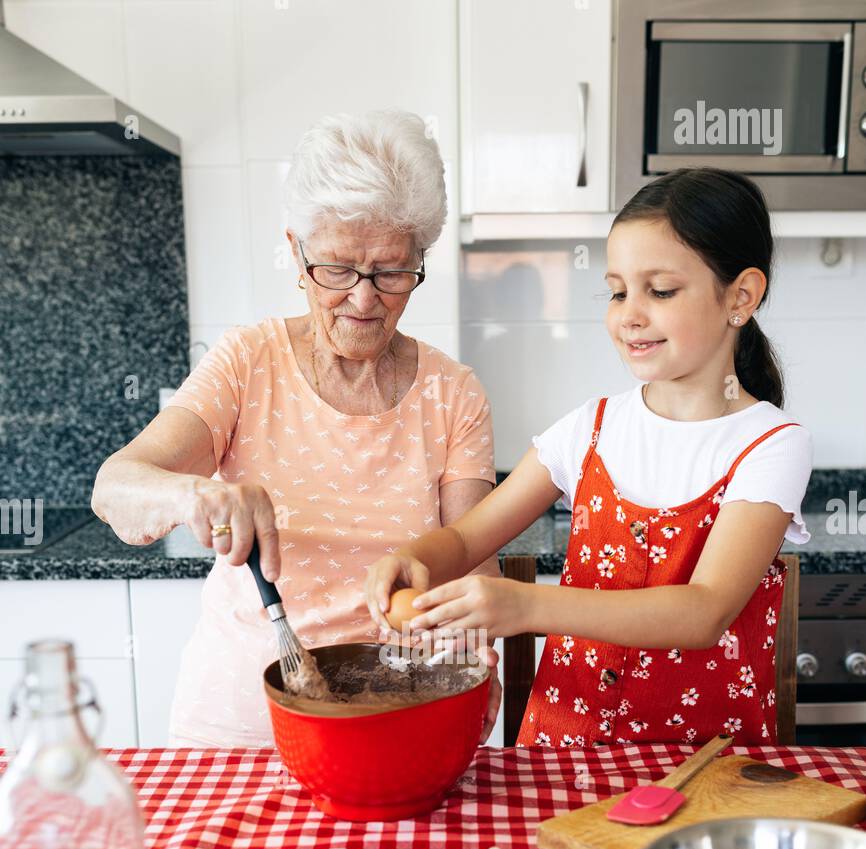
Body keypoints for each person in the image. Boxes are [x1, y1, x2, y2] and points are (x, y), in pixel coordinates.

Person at [91, 110, 502, 747]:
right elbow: (116, 489)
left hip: (394, 718)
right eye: (336, 269)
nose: (364, 300)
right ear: (296, 249)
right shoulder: (246, 362)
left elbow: (475, 571)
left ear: (421, 258)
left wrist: (473, 669)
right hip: (238, 728)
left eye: (391, 271)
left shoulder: (454, 394)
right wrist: (199, 495)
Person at [366, 168, 812, 747]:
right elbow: (466, 540)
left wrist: (525, 605)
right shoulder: (591, 429)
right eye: (619, 291)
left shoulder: (772, 444)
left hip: (704, 768)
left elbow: (703, 613)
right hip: (562, 751)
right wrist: (412, 557)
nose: (629, 314)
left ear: (741, 297)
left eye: (661, 290)